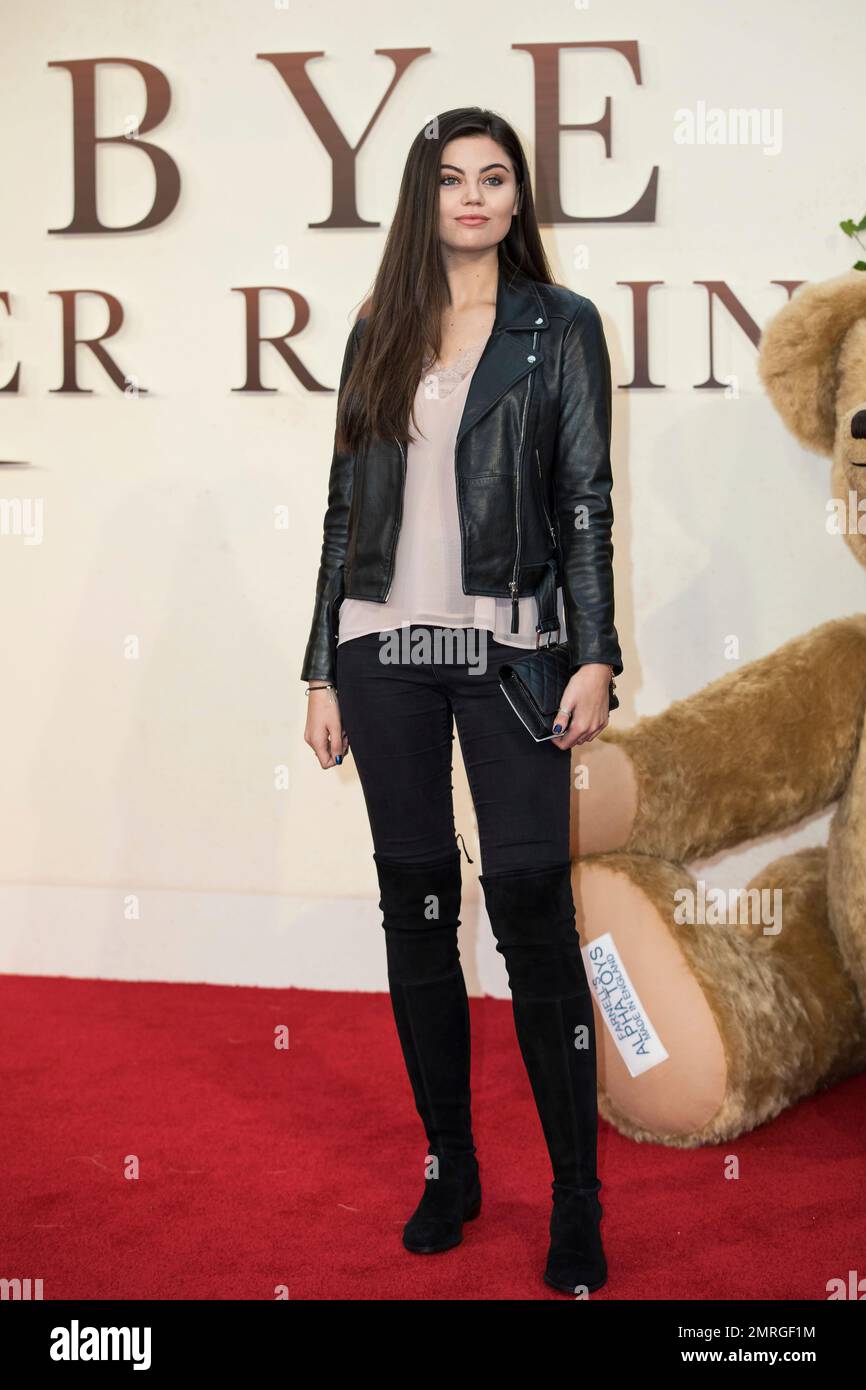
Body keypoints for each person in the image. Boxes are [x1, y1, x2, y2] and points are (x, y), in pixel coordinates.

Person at [301, 106, 623, 1296]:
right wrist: (321, 664)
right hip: (383, 654)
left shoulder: (559, 327)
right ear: (421, 197)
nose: (474, 197)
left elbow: (584, 497)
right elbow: (344, 510)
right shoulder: (379, 330)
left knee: (535, 908)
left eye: (494, 179)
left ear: (515, 198)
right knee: (417, 909)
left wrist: (595, 654)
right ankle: (450, 1165)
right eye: (452, 179)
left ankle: (576, 1198)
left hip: (512, 654)